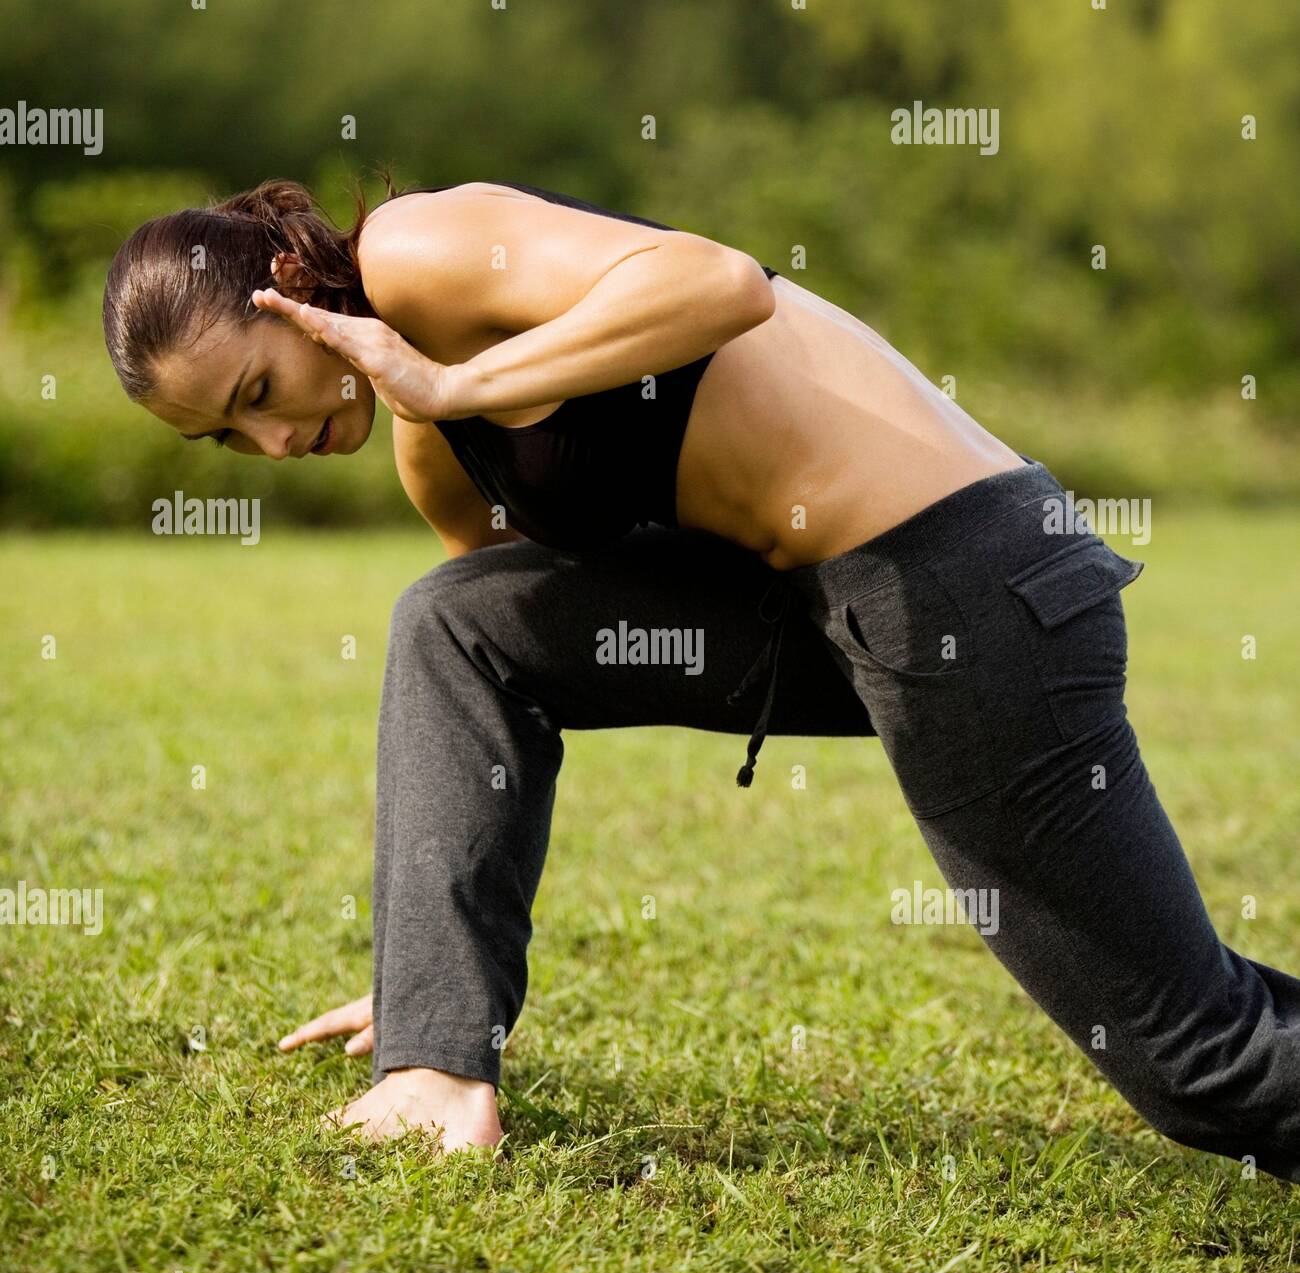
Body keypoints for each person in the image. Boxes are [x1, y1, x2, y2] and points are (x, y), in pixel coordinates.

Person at [103, 178, 1300, 1182]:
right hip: (832, 610)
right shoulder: (427, 441)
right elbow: (503, 650)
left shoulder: (419, 245)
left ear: (295, 294)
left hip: (963, 586)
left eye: (258, 392)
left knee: (1198, 1059)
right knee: (448, 620)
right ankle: (435, 1066)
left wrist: (456, 385)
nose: (270, 444)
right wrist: (435, 979)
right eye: (226, 439)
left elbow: (724, 282)